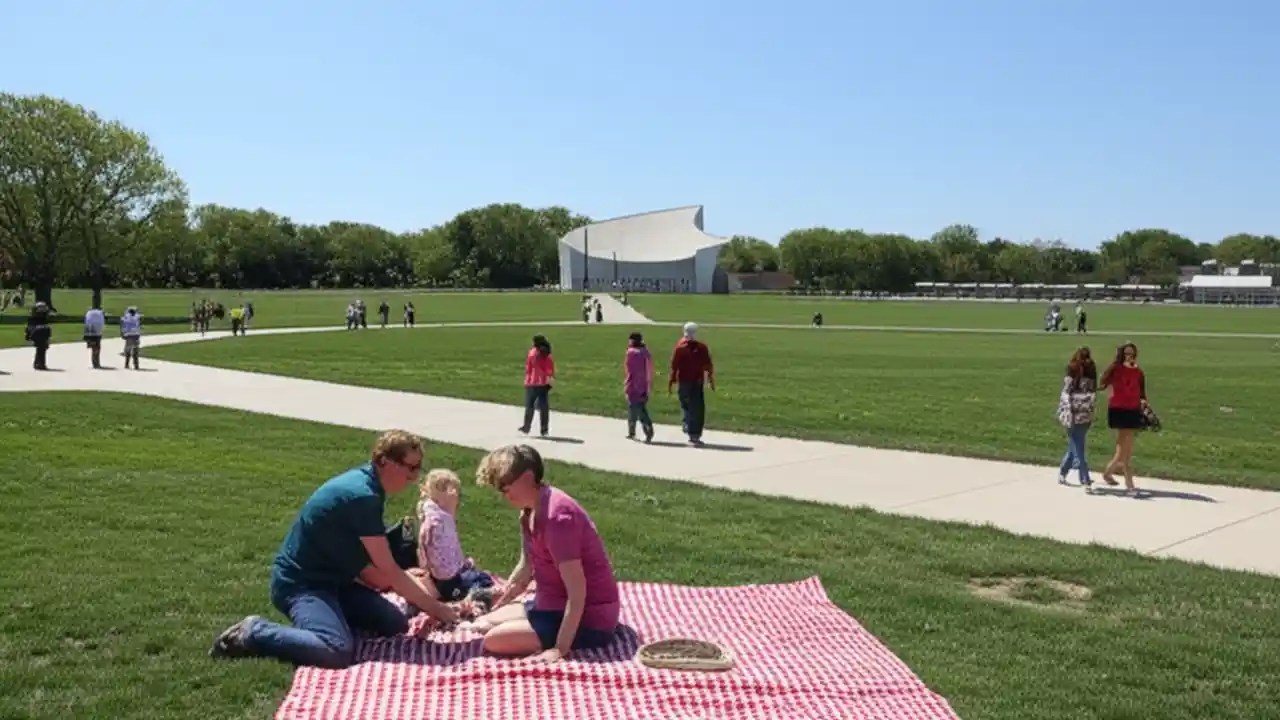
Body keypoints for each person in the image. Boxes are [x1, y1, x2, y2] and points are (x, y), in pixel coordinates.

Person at [209, 430, 459, 668]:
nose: (414, 477)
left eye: (418, 468)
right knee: (336, 650)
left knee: (394, 623)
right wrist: (437, 608)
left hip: (337, 582)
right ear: (384, 461)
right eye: (410, 467)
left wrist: (407, 583)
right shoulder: (361, 497)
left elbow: (374, 571)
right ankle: (254, 632)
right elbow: (389, 571)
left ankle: (330, 619)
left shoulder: (367, 486)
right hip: (301, 585)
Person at [469, 445, 620, 662]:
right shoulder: (529, 512)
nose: (504, 495)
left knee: (493, 640)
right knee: (482, 623)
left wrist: (559, 649)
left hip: (590, 619)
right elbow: (526, 566)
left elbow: (577, 593)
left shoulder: (558, 518)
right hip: (550, 605)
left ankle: (552, 635)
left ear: (528, 478)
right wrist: (504, 596)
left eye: (505, 487)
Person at [415, 469, 496, 607]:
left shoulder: (431, 516)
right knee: (483, 579)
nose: (457, 499)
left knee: (473, 574)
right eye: (455, 494)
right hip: (447, 579)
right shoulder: (440, 521)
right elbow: (443, 556)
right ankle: (470, 598)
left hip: (436, 574)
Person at [1099, 342, 1148, 495]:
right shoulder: (1115, 368)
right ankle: (1129, 483)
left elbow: (1141, 391)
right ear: (1121, 354)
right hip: (1118, 409)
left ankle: (1109, 473)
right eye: (1126, 353)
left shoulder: (1138, 371)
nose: (1129, 356)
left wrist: (1144, 403)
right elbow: (1103, 381)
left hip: (1132, 409)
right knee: (1125, 447)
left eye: (1132, 354)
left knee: (1125, 446)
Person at [1056, 347, 1097, 490]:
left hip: (1080, 414)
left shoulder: (1078, 370)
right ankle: (1085, 479)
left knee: (1075, 446)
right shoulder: (1083, 371)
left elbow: (1066, 392)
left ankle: (1063, 472)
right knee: (1079, 447)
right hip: (1075, 414)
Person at [668, 322, 714, 445]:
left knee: (686, 404)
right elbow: (708, 365)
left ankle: (687, 424)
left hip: (684, 381)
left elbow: (674, 365)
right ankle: (694, 433)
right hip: (697, 381)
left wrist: (671, 380)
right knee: (697, 407)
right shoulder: (702, 347)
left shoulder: (680, 347)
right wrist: (710, 378)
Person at [518, 335, 555, 437]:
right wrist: (550, 380)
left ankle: (526, 427)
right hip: (543, 383)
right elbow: (550, 369)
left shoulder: (533, 353)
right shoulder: (547, 354)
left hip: (532, 382)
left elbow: (528, 368)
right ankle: (544, 429)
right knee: (544, 406)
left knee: (530, 405)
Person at [623, 332, 655, 442]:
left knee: (636, 409)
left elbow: (629, 370)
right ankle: (633, 432)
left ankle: (646, 430)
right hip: (645, 385)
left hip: (633, 386)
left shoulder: (631, 353)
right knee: (639, 408)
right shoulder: (646, 353)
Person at [25, 301, 53, 370]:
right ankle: (40, 364)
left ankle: (38, 363)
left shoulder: (34, 319)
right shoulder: (35, 320)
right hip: (39, 334)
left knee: (41, 349)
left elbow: (28, 329)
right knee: (41, 349)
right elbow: (28, 328)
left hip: (39, 334)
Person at [84, 304, 106, 369]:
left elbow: (86, 322)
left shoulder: (89, 313)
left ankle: (94, 363)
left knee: (93, 348)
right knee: (97, 348)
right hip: (97, 333)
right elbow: (102, 323)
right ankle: (97, 363)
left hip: (89, 333)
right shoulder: (100, 313)